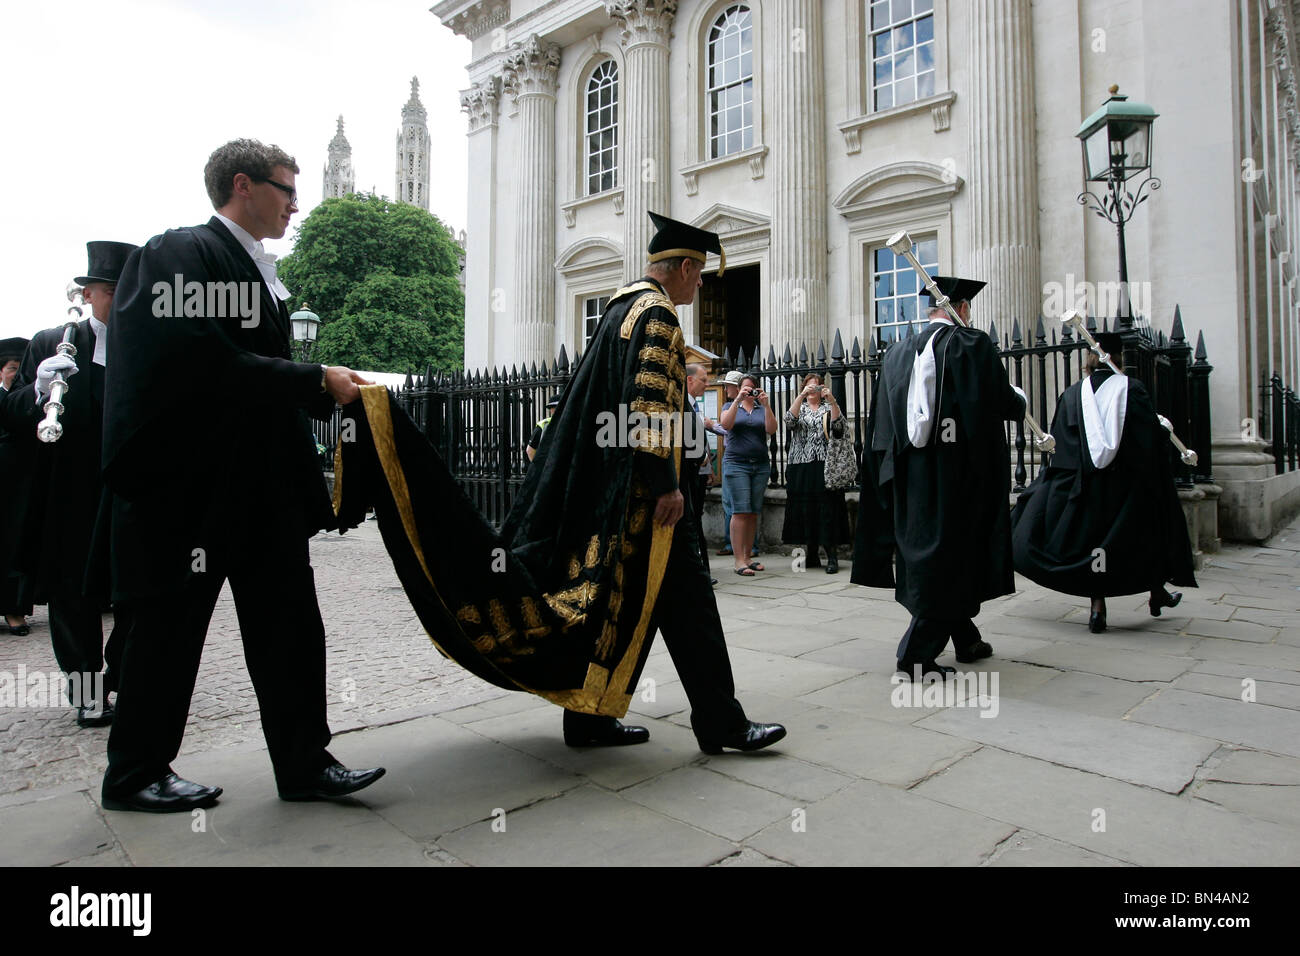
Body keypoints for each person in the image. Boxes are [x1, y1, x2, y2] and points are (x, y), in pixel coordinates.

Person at [99, 139, 384, 812]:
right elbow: (197, 361)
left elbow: (253, 376)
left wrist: (327, 391)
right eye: (286, 188)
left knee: (290, 627)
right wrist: (312, 376)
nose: (295, 203)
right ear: (242, 185)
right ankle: (136, 773)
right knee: (167, 635)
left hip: (261, 493)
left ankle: (304, 762)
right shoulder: (178, 253)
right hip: (190, 493)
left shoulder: (257, 274)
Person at [852, 277, 1028, 679]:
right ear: (961, 308)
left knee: (930, 554)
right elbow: (998, 401)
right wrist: (1018, 401)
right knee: (951, 556)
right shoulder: (972, 344)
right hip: (955, 477)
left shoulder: (896, 353)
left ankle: (966, 638)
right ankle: (916, 655)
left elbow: (883, 421)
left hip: (909, 477)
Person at [0, 244, 138, 726]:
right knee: (71, 596)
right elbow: (11, 415)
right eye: (110, 291)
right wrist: (39, 391)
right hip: (69, 493)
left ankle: (121, 674)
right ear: (89, 294)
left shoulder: (147, 344)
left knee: (139, 593)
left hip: (129, 490)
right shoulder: (52, 341)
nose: (121, 301)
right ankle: (86, 688)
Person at [1011, 331, 1196, 632]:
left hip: (1086, 489)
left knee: (1093, 544)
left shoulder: (1072, 395)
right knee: (1146, 534)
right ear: (1119, 358)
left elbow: (1062, 445)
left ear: (1089, 360)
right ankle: (1156, 592)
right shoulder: (1133, 390)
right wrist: (1162, 431)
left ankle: (1099, 608)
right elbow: (1145, 441)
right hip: (1124, 489)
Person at [783, 372, 850, 573]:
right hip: (800, 465)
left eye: (817, 386)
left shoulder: (828, 408)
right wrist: (801, 395)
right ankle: (811, 554)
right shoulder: (800, 407)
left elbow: (839, 428)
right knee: (805, 509)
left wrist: (833, 401)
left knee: (827, 509)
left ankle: (831, 556)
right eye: (809, 386)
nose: (813, 390)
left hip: (824, 465)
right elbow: (789, 421)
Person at [719, 371, 776, 576]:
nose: (749, 391)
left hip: (760, 465)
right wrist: (738, 400)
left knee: (752, 512)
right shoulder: (729, 406)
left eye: (752, 388)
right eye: (745, 387)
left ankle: (749, 556)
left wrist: (767, 405)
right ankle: (738, 560)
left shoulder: (762, 409)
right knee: (740, 511)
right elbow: (726, 424)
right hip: (737, 464)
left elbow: (771, 429)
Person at [0, 336, 34, 637]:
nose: (15, 374)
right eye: (12, 368)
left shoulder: (31, 397)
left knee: (16, 541)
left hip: (20, 481)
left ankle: (15, 610)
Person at [685, 363, 717, 585]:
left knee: (696, 519)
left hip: (699, 471)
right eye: (703, 379)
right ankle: (699, 572)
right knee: (692, 521)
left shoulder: (695, 405)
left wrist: (708, 467)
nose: (707, 384)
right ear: (689, 380)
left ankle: (703, 570)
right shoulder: (681, 406)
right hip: (688, 472)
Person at [525, 395, 560, 462]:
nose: (554, 410)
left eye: (556, 407)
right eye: (552, 407)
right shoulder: (543, 425)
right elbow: (530, 450)